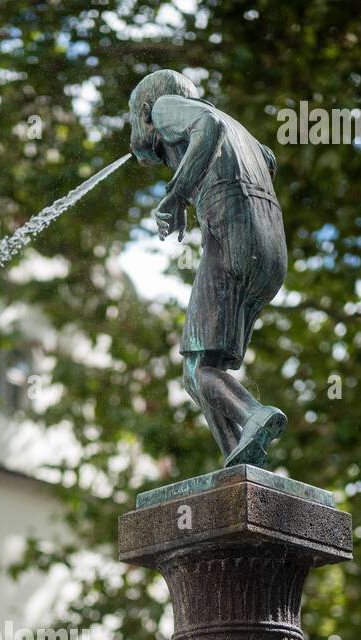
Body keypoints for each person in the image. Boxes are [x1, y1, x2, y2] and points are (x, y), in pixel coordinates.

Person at [128, 69, 288, 469]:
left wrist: (177, 195)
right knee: (198, 372)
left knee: (199, 369)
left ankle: (253, 414)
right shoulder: (246, 133)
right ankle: (241, 461)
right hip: (270, 254)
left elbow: (208, 124)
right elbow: (266, 161)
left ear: (145, 110)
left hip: (233, 239)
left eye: (134, 117)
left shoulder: (165, 107)